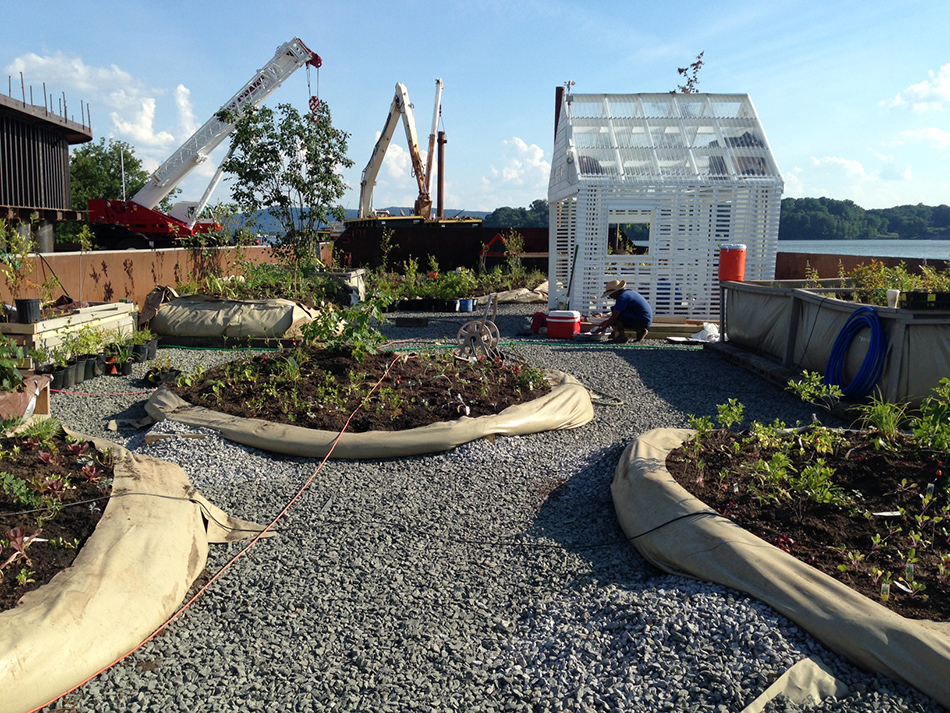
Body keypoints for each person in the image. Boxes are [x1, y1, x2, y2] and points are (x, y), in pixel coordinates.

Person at [590, 279, 652, 343]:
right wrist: (606, 323)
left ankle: (622, 337)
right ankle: (640, 331)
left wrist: (602, 328)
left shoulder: (623, 297)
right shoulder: (628, 293)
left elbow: (614, 316)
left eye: (611, 295)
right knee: (614, 314)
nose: (611, 297)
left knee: (616, 318)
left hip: (642, 320)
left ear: (616, 292)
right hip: (644, 319)